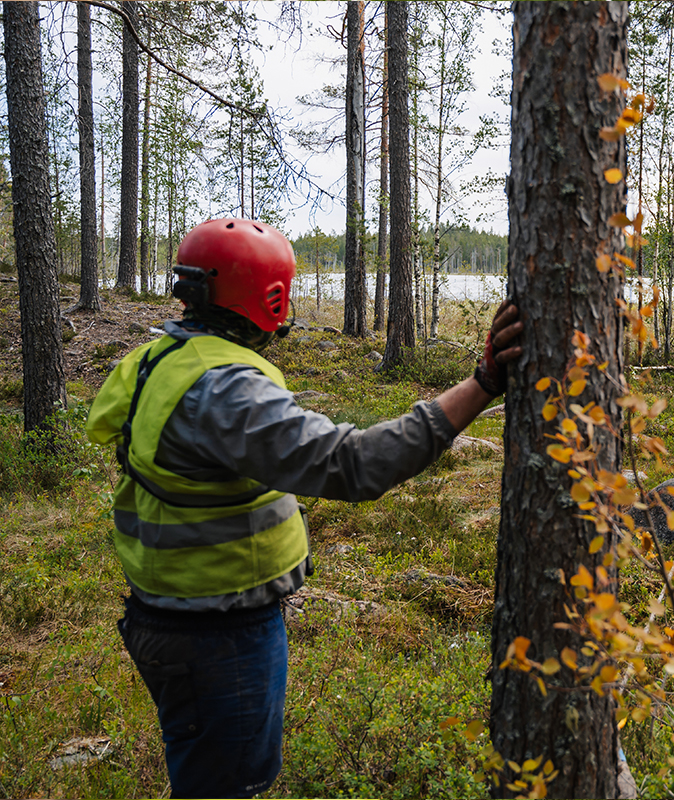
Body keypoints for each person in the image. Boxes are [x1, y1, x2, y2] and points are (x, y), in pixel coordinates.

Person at [85, 218, 521, 798]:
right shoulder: (226, 390)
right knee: (231, 784)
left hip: (167, 614)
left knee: (203, 769)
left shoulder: (156, 360)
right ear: (271, 296)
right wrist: (483, 383)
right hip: (217, 635)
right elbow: (354, 464)